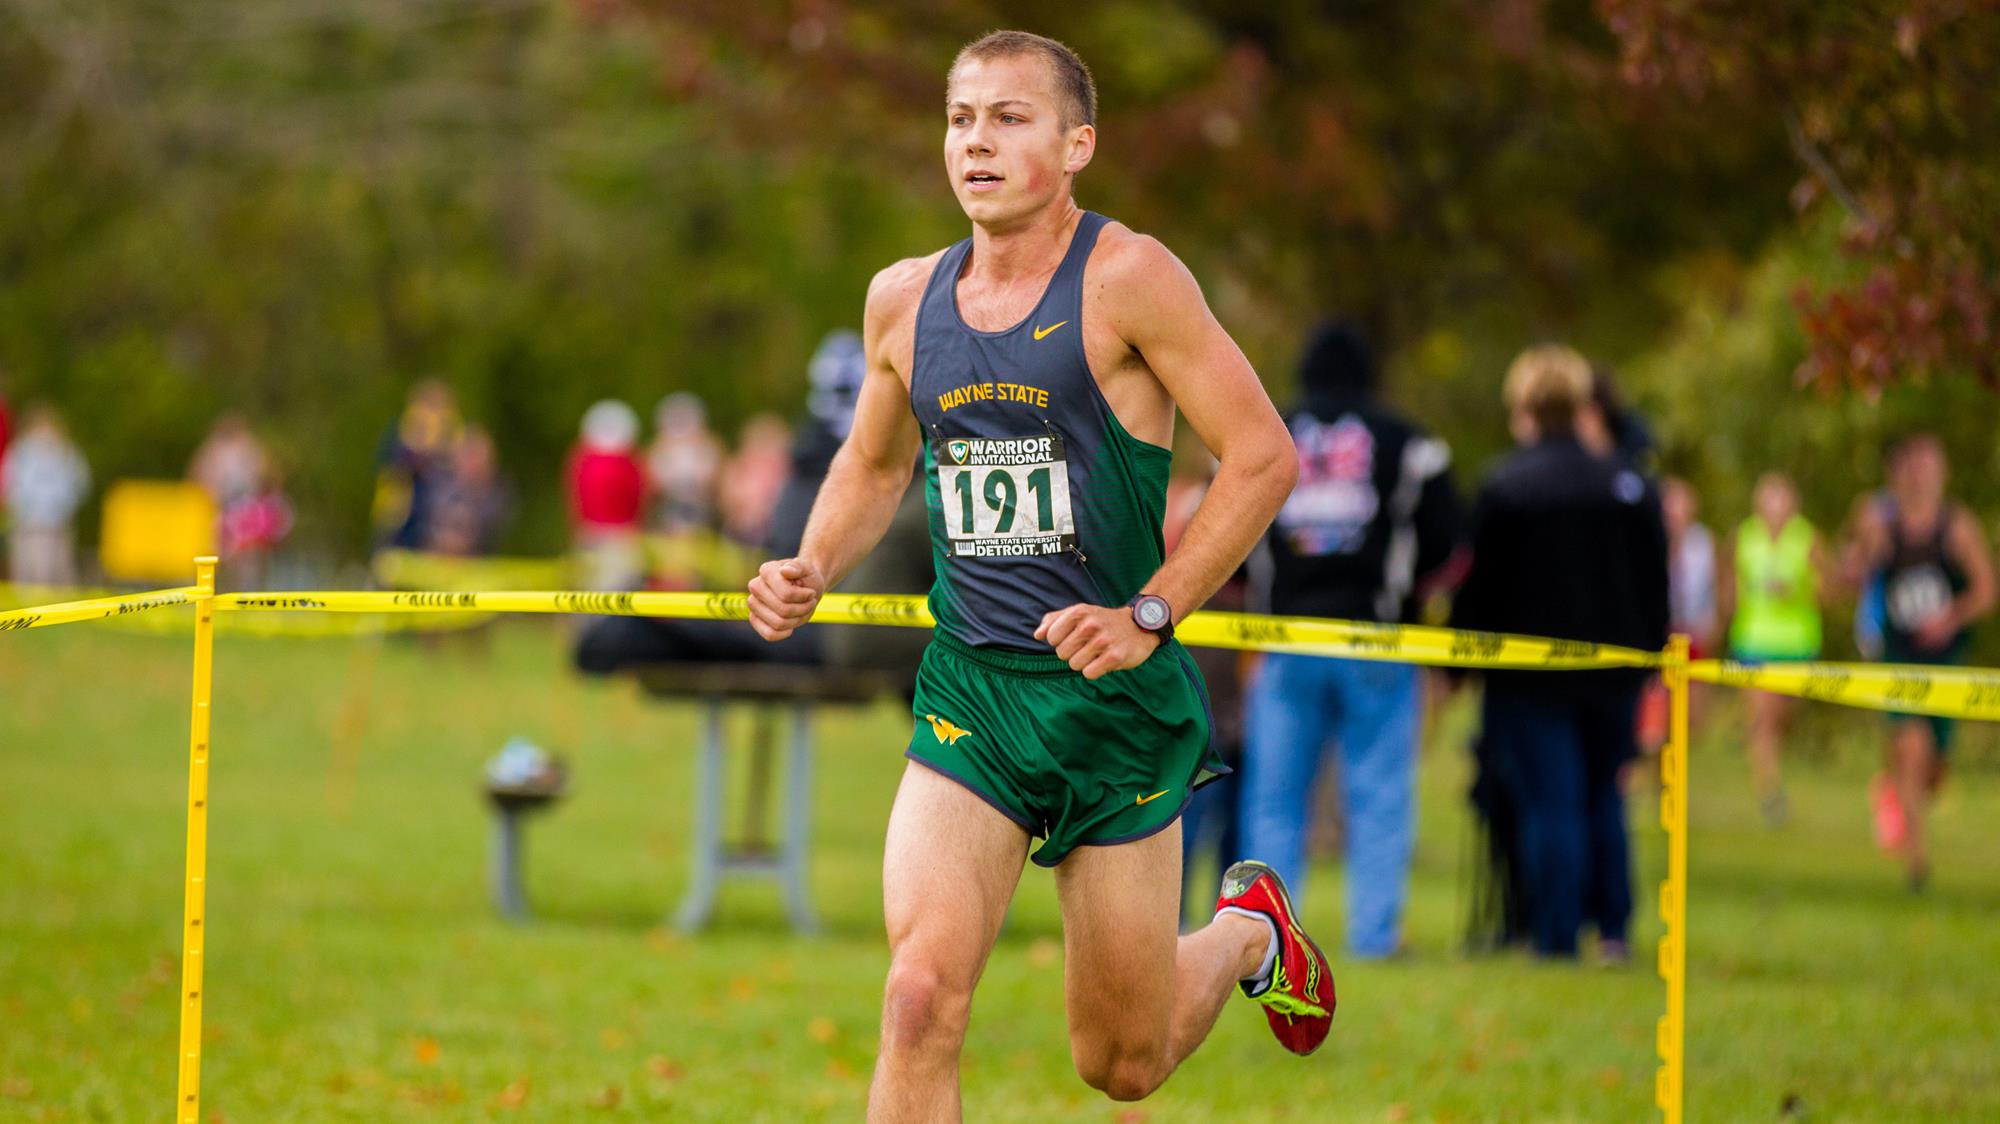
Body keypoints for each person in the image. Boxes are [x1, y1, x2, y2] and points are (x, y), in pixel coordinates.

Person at [743, 31, 1325, 1116]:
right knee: (917, 995)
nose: (976, 140)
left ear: (1075, 144)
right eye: (961, 118)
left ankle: (1249, 931)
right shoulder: (902, 300)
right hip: (973, 695)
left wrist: (1148, 611)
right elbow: (873, 463)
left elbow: (1262, 456)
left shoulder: (1128, 279)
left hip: (1112, 704)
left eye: (1009, 118)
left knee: (1121, 1061)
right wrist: (810, 562)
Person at [1237, 322, 1461, 960]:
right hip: (1376, 642)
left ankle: (1266, 940)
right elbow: (1448, 544)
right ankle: (1375, 936)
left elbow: (1222, 529)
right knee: (1380, 794)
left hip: (1284, 639)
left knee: (1276, 799)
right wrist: (1413, 599)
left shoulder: (1265, 433)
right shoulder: (1410, 441)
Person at [1450, 345, 1668, 963]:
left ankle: (1556, 936)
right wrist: (1651, 659)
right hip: (1614, 676)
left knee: (1551, 804)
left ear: (1523, 409)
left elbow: (1479, 589)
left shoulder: (1506, 487)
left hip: (1529, 681)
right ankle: (1616, 930)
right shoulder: (1627, 484)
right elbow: (1656, 584)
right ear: (1579, 407)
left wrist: (1457, 665)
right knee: (1604, 796)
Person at [1844, 434, 1995, 890]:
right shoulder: (1883, 524)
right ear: (1900, 473)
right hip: (1899, 653)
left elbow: (1987, 590)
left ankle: (1891, 794)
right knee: (1911, 749)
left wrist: (1950, 618)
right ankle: (1917, 864)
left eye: (1930, 465)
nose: (1921, 474)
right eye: (1914, 466)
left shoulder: (1958, 527)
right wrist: (1857, 540)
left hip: (1945, 659)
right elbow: (1852, 572)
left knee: (1933, 766)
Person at [1719, 472, 1828, 825]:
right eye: (1769, 497)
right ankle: (1770, 792)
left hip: (1797, 642)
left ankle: (1763, 756)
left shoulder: (1806, 538)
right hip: (1753, 640)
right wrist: (1724, 614)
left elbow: (1828, 588)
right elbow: (1727, 581)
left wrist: (1798, 593)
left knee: (1781, 720)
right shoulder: (1744, 537)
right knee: (1763, 718)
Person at [3, 405, 91, 586]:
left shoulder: (67, 453)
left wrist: (65, 506)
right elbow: (10, 482)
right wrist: (20, 507)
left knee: (57, 568)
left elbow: (79, 483)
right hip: (28, 523)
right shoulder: (21, 453)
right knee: (27, 565)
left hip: (57, 524)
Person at [566, 400, 648, 591]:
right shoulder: (631, 462)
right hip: (615, 536)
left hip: (602, 534)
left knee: (600, 590)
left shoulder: (581, 459)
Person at [372, 380, 462, 551]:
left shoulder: (452, 432)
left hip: (434, 513)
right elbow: (388, 460)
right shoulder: (402, 428)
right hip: (398, 511)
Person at [646, 392, 722, 533]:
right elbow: (654, 482)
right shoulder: (659, 448)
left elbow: (712, 479)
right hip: (669, 510)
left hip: (700, 509)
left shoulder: (708, 447)